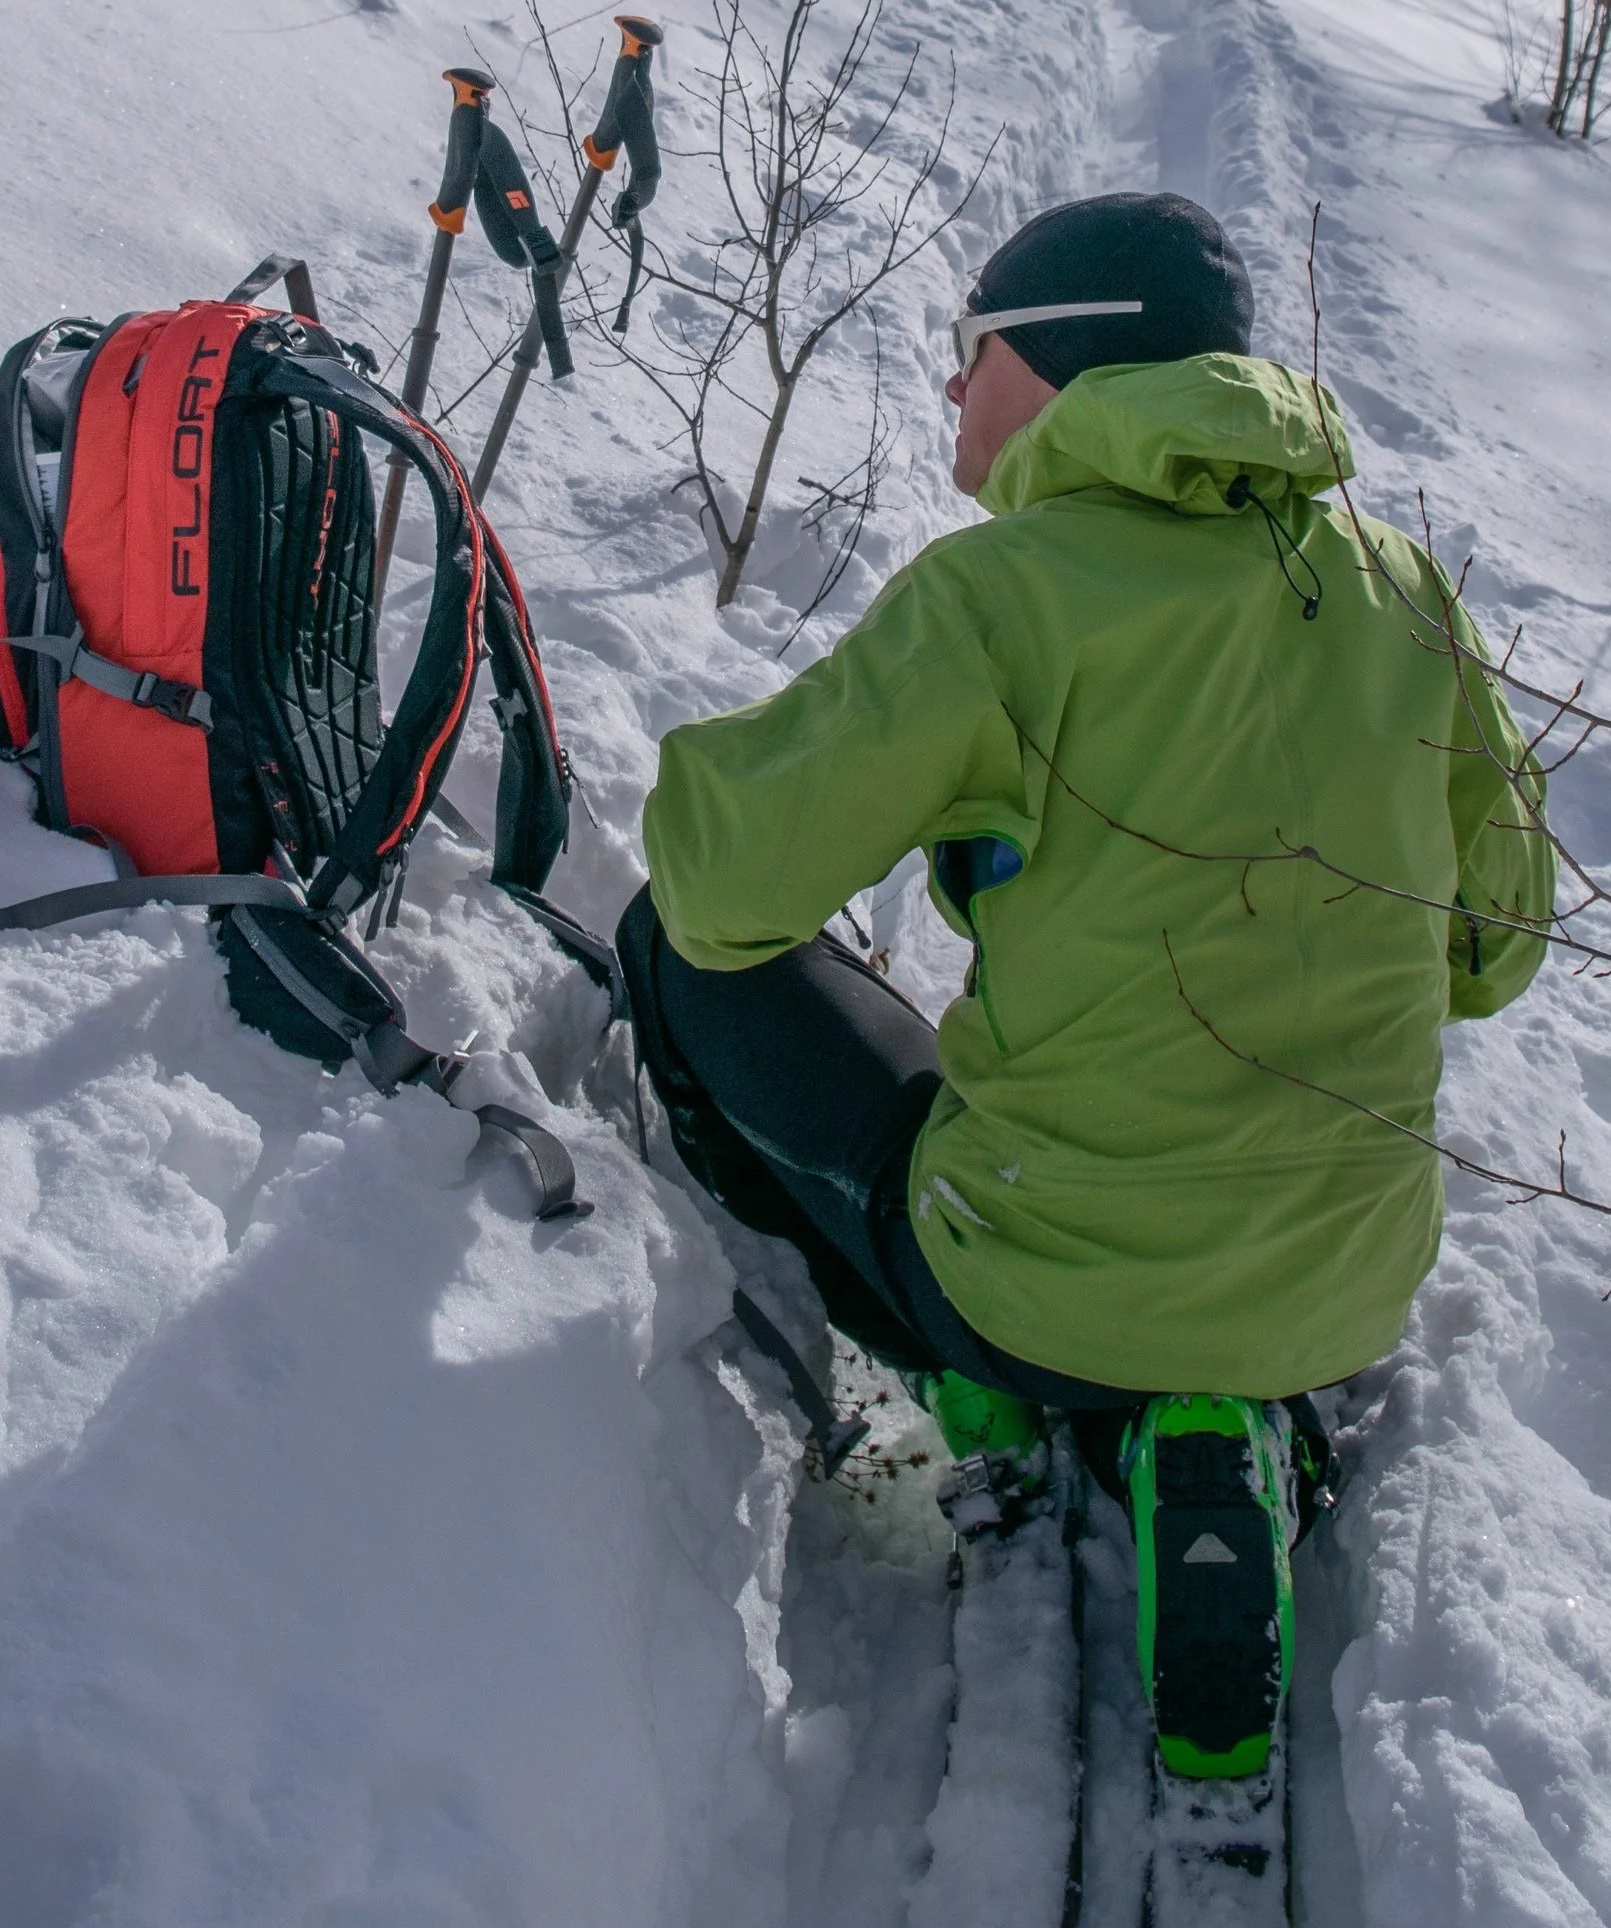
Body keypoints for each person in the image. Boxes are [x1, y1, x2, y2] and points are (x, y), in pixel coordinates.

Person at [619, 190, 1555, 1501]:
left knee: (670, 949)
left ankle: (980, 1385)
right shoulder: (1402, 586)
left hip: (1039, 1298)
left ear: (1068, 350)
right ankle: (1214, 1398)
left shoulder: (997, 597)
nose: (954, 380)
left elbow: (721, 890)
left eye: (974, 341)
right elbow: (1496, 949)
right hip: (1347, 1294)